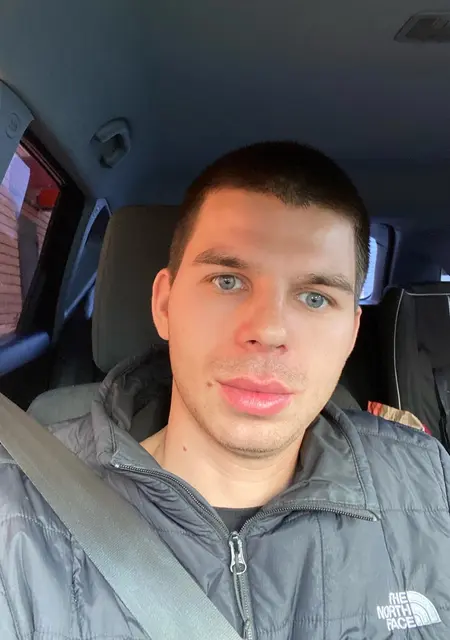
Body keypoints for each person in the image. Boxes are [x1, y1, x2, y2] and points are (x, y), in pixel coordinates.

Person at [1, 142, 450, 640]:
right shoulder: (18, 511)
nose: (269, 331)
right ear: (165, 305)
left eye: (315, 297)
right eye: (228, 281)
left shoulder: (431, 485)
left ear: (350, 334)